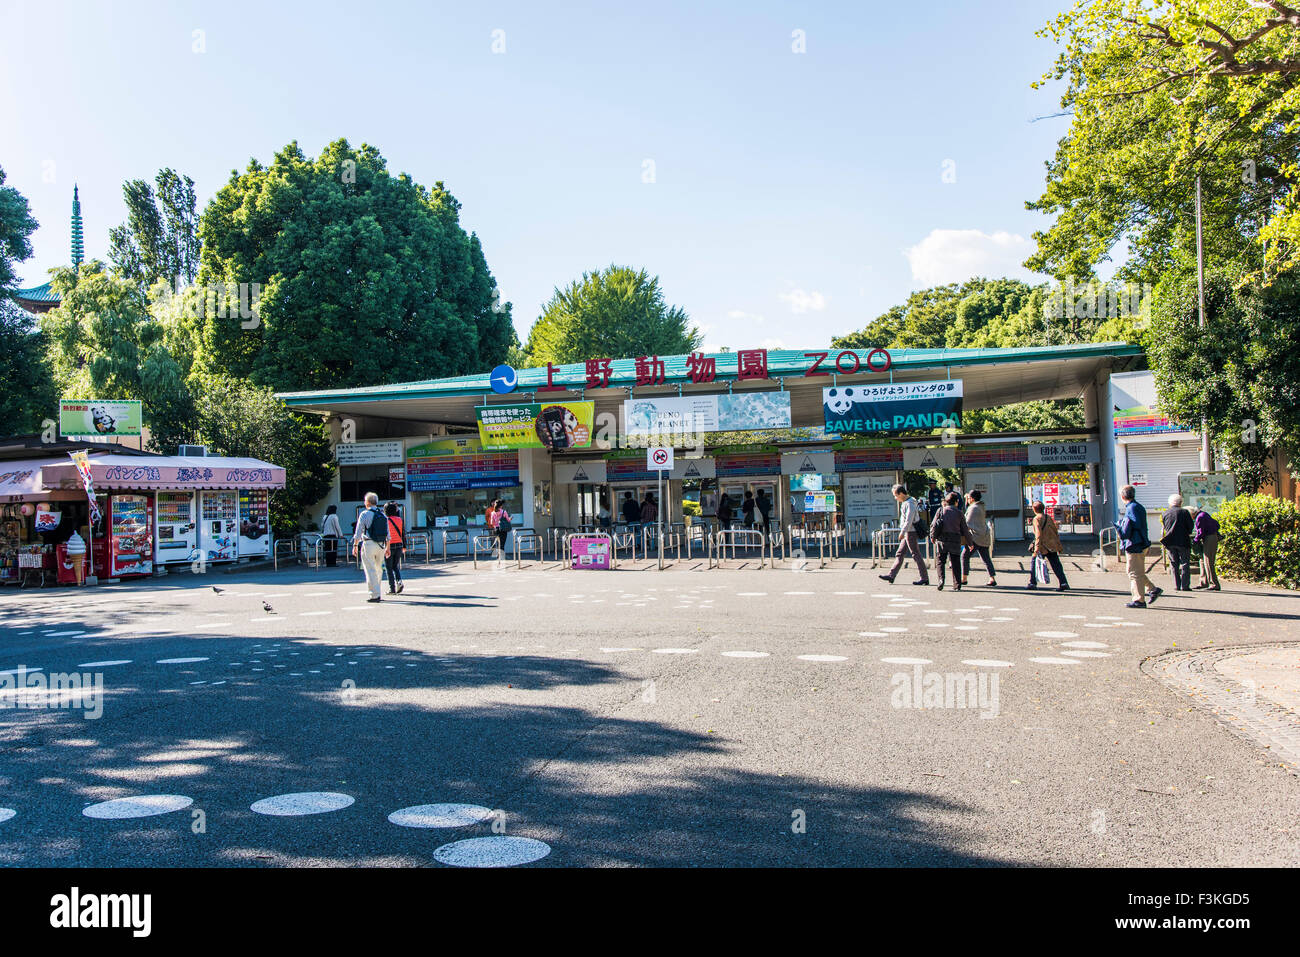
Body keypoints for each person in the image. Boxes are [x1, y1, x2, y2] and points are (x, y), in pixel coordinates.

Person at [1116, 484, 1161, 608]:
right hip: (1140, 542)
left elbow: (1132, 526)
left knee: (1134, 573)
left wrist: (1121, 526)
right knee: (1136, 571)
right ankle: (1152, 589)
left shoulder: (1132, 508)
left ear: (1122, 496)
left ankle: (1139, 600)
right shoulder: (1138, 506)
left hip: (1135, 544)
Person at [880, 484, 930, 585]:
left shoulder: (910, 503)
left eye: (896, 495)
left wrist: (902, 532)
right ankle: (891, 575)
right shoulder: (906, 502)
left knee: (915, 554)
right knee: (900, 553)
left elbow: (909, 519)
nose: (895, 498)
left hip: (910, 532)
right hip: (908, 532)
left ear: (901, 493)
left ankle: (924, 577)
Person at [930, 491, 972, 591]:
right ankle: (957, 585)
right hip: (955, 539)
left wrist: (932, 536)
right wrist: (970, 542)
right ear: (956, 502)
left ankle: (941, 580)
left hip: (942, 539)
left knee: (940, 561)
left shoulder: (940, 510)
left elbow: (934, 525)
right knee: (955, 562)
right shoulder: (959, 513)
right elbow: (965, 529)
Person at [351, 492, 388, 602]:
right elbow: (388, 533)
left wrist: (355, 545)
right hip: (381, 544)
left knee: (370, 569)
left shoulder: (364, 514)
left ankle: (374, 595)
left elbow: (358, 532)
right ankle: (378, 592)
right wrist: (388, 547)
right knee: (379, 569)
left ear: (367, 502)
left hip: (369, 544)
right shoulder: (382, 514)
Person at [1027, 500, 1069, 591]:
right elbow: (1054, 531)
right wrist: (1058, 545)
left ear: (1034, 509)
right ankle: (1063, 582)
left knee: (1034, 563)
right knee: (1056, 565)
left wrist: (1036, 548)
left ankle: (1032, 583)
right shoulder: (1048, 517)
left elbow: (1038, 534)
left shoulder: (1036, 519)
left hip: (1042, 546)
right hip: (1051, 545)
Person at [961, 489, 997, 586]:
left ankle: (964, 578)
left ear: (972, 499)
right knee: (986, 558)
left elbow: (966, 523)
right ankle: (992, 578)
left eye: (968, 498)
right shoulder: (981, 506)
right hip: (984, 535)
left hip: (975, 537)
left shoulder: (973, 508)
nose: (967, 499)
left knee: (964, 555)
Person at [1161, 493, 1194, 591]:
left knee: (1174, 563)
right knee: (1185, 563)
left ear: (1170, 503)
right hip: (1183, 540)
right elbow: (1190, 526)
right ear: (1181, 502)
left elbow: (1165, 526)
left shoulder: (1165, 513)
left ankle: (1176, 585)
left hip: (1170, 541)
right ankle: (1185, 585)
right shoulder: (1184, 512)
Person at [1192, 504, 1221, 591]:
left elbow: (1200, 532)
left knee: (1208, 561)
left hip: (1209, 538)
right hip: (1211, 536)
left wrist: (1195, 541)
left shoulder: (1200, 517)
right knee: (1202, 560)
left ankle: (1214, 584)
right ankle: (1203, 582)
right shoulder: (1204, 514)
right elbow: (1216, 524)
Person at [383, 502, 405, 594]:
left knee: (388, 567)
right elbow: (403, 533)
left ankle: (392, 588)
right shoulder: (399, 519)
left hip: (389, 545)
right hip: (399, 544)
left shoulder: (385, 520)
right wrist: (404, 546)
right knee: (395, 566)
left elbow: (384, 534)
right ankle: (399, 581)